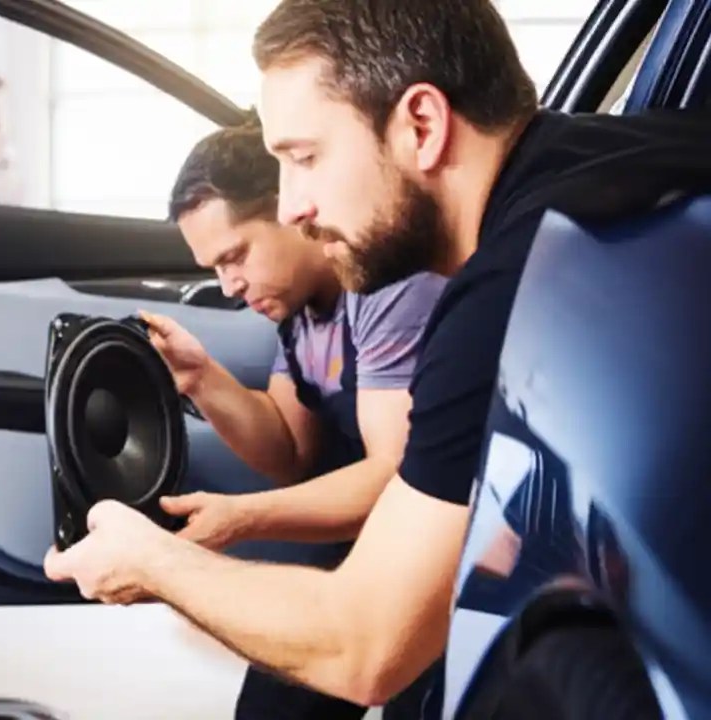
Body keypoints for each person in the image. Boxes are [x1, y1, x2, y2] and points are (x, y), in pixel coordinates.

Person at [43, 0, 711, 716]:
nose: (292, 206)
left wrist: (152, 560)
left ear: (421, 125)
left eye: (304, 159)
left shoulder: (518, 291)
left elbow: (363, 646)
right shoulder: (656, 153)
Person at [142, 119, 445, 720]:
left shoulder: (383, 288)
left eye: (235, 256)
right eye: (214, 269)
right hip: (366, 536)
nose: (229, 286)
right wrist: (201, 377)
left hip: (442, 534)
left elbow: (395, 474)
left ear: (292, 206)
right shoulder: (301, 311)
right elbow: (290, 449)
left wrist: (238, 520)